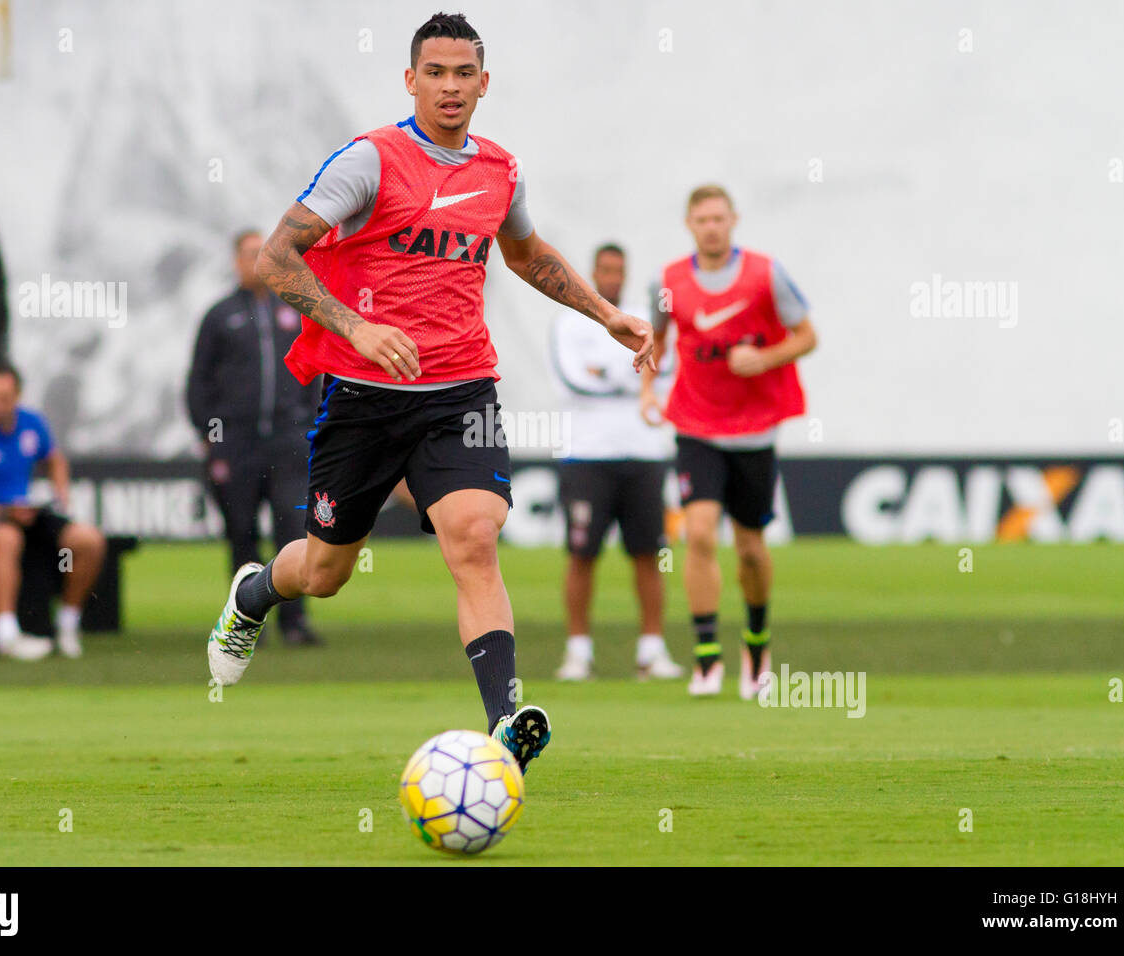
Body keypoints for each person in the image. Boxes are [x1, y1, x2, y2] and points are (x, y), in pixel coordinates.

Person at [205, 12, 656, 775]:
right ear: (409, 80)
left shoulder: (500, 171)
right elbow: (278, 260)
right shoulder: (369, 160)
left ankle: (507, 721)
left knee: (475, 539)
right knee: (325, 573)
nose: (450, 87)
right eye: (436, 73)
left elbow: (526, 253)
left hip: (461, 392)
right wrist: (356, 328)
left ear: (485, 83)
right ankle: (252, 595)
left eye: (464, 74)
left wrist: (607, 313)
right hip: (362, 396)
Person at [641, 184, 817, 699]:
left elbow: (807, 335)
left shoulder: (766, 274)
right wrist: (649, 389)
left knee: (749, 548)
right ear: (689, 224)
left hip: (755, 428)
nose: (711, 227)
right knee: (697, 533)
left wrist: (763, 359)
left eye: (719, 218)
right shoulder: (668, 281)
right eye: (702, 219)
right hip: (696, 424)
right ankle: (706, 657)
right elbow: (655, 339)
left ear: (733, 220)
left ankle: (757, 646)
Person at [548, 243, 682, 681]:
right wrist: (629, 374)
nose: (613, 277)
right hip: (586, 454)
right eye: (605, 270)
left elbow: (665, 370)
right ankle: (578, 651)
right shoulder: (571, 320)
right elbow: (574, 380)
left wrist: (609, 373)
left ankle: (651, 650)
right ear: (593, 271)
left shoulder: (644, 318)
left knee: (648, 552)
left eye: (618, 270)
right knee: (582, 553)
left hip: (643, 451)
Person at [187, 229, 324, 646]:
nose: (256, 261)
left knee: (293, 531)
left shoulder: (293, 310)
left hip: (287, 444)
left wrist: (308, 426)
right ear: (235, 261)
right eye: (248, 254)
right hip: (237, 444)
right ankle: (247, 621)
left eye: (262, 253)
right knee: (242, 532)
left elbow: (313, 373)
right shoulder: (220, 316)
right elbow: (198, 384)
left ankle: (295, 622)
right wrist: (211, 437)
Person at [0, 363, 106, 659]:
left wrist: (60, 493)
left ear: (18, 395)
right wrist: (3, 511)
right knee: (7, 540)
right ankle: (6, 633)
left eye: (3, 398)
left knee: (88, 540)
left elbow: (55, 460)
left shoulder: (33, 423)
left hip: (30, 511)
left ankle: (68, 624)